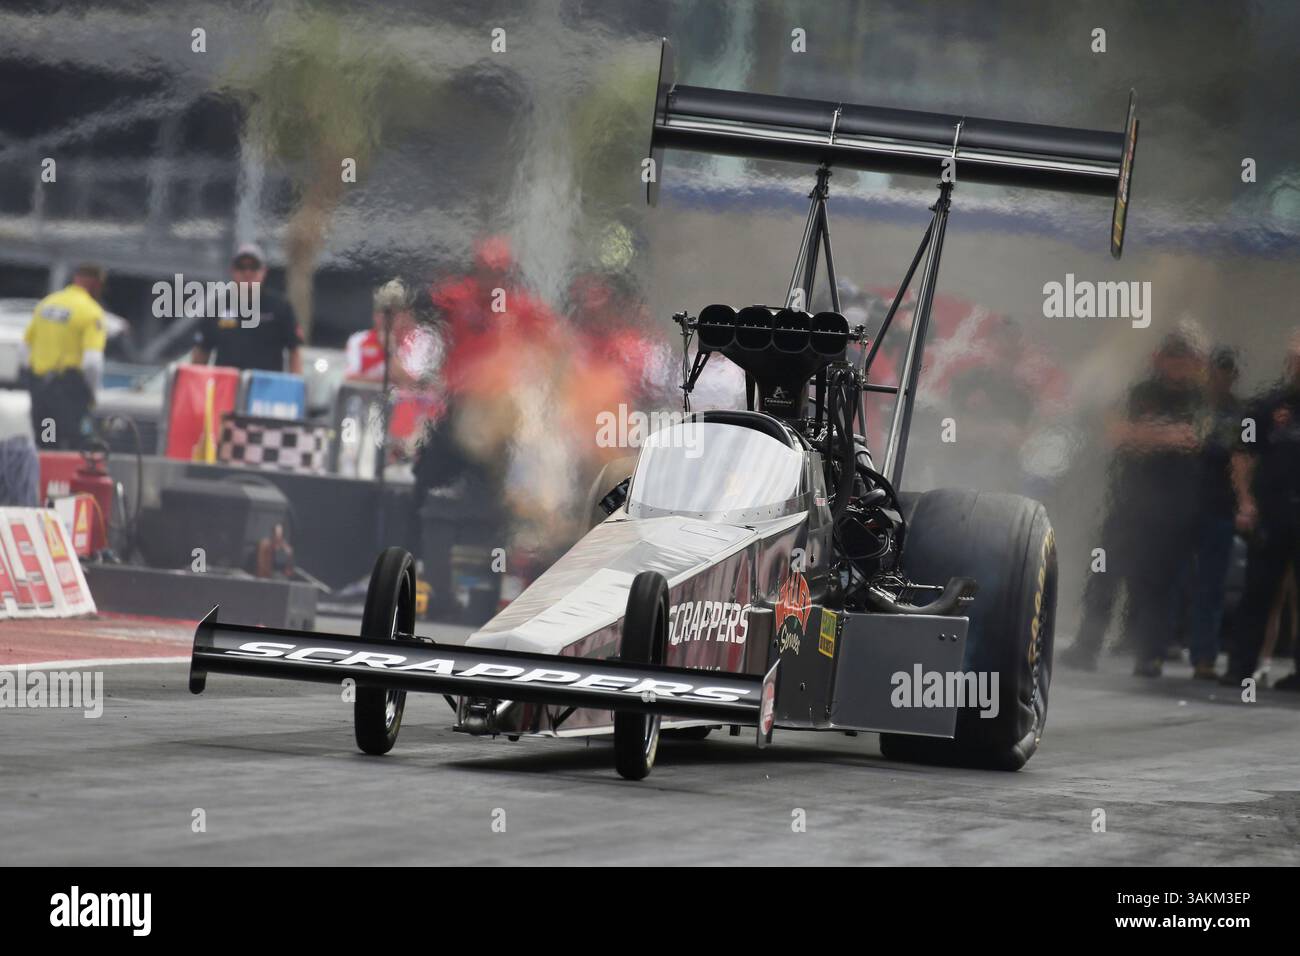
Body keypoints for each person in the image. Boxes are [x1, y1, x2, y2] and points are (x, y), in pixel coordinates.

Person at [1061, 331, 1207, 676]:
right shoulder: (1141, 392)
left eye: (1182, 358)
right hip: (1128, 502)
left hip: (1172, 508)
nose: (1175, 365)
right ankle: (1087, 645)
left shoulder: (1199, 399)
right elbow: (1116, 435)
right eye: (1171, 357)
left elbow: (1192, 438)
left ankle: (1149, 655)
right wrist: (1159, 437)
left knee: (1156, 582)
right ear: (1159, 359)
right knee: (1103, 574)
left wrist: (1144, 436)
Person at [1221, 330, 1300, 690]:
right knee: (1257, 592)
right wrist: (1246, 500)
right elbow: (1242, 453)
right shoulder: (1267, 407)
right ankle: (1240, 667)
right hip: (1272, 514)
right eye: (1295, 357)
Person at [1183, 347, 1243, 678]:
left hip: (1219, 505)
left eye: (1226, 372)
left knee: (1212, 584)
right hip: (1180, 504)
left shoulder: (1239, 411)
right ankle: (1154, 647)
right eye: (1215, 371)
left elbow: (1243, 454)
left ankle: (1204, 657)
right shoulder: (1188, 405)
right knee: (1172, 578)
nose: (1220, 378)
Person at [23, 264, 108, 449]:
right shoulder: (91, 311)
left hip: (41, 390)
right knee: (75, 446)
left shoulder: (47, 303)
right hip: (69, 391)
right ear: (95, 283)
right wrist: (92, 393)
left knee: (46, 442)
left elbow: (25, 346)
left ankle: (45, 477)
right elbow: (92, 362)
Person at [191, 243, 302, 373]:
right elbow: (202, 352)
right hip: (226, 386)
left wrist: (295, 387)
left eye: (254, 267)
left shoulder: (280, 307)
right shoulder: (217, 307)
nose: (247, 272)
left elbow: (294, 351)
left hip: (265, 388)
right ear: (232, 270)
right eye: (241, 267)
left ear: (264, 271)